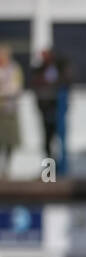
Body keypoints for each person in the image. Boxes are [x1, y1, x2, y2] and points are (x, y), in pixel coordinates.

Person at [29, 48, 69, 165]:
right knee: (47, 140)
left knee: (59, 139)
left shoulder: (59, 69)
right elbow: (34, 83)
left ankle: (60, 169)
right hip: (44, 108)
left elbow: (64, 82)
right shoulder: (39, 70)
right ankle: (49, 171)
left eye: (45, 55)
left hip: (57, 108)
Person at [0, 45, 22, 178]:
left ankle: (6, 168)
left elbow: (15, 88)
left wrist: (3, 91)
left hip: (9, 110)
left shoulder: (14, 69)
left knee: (10, 141)